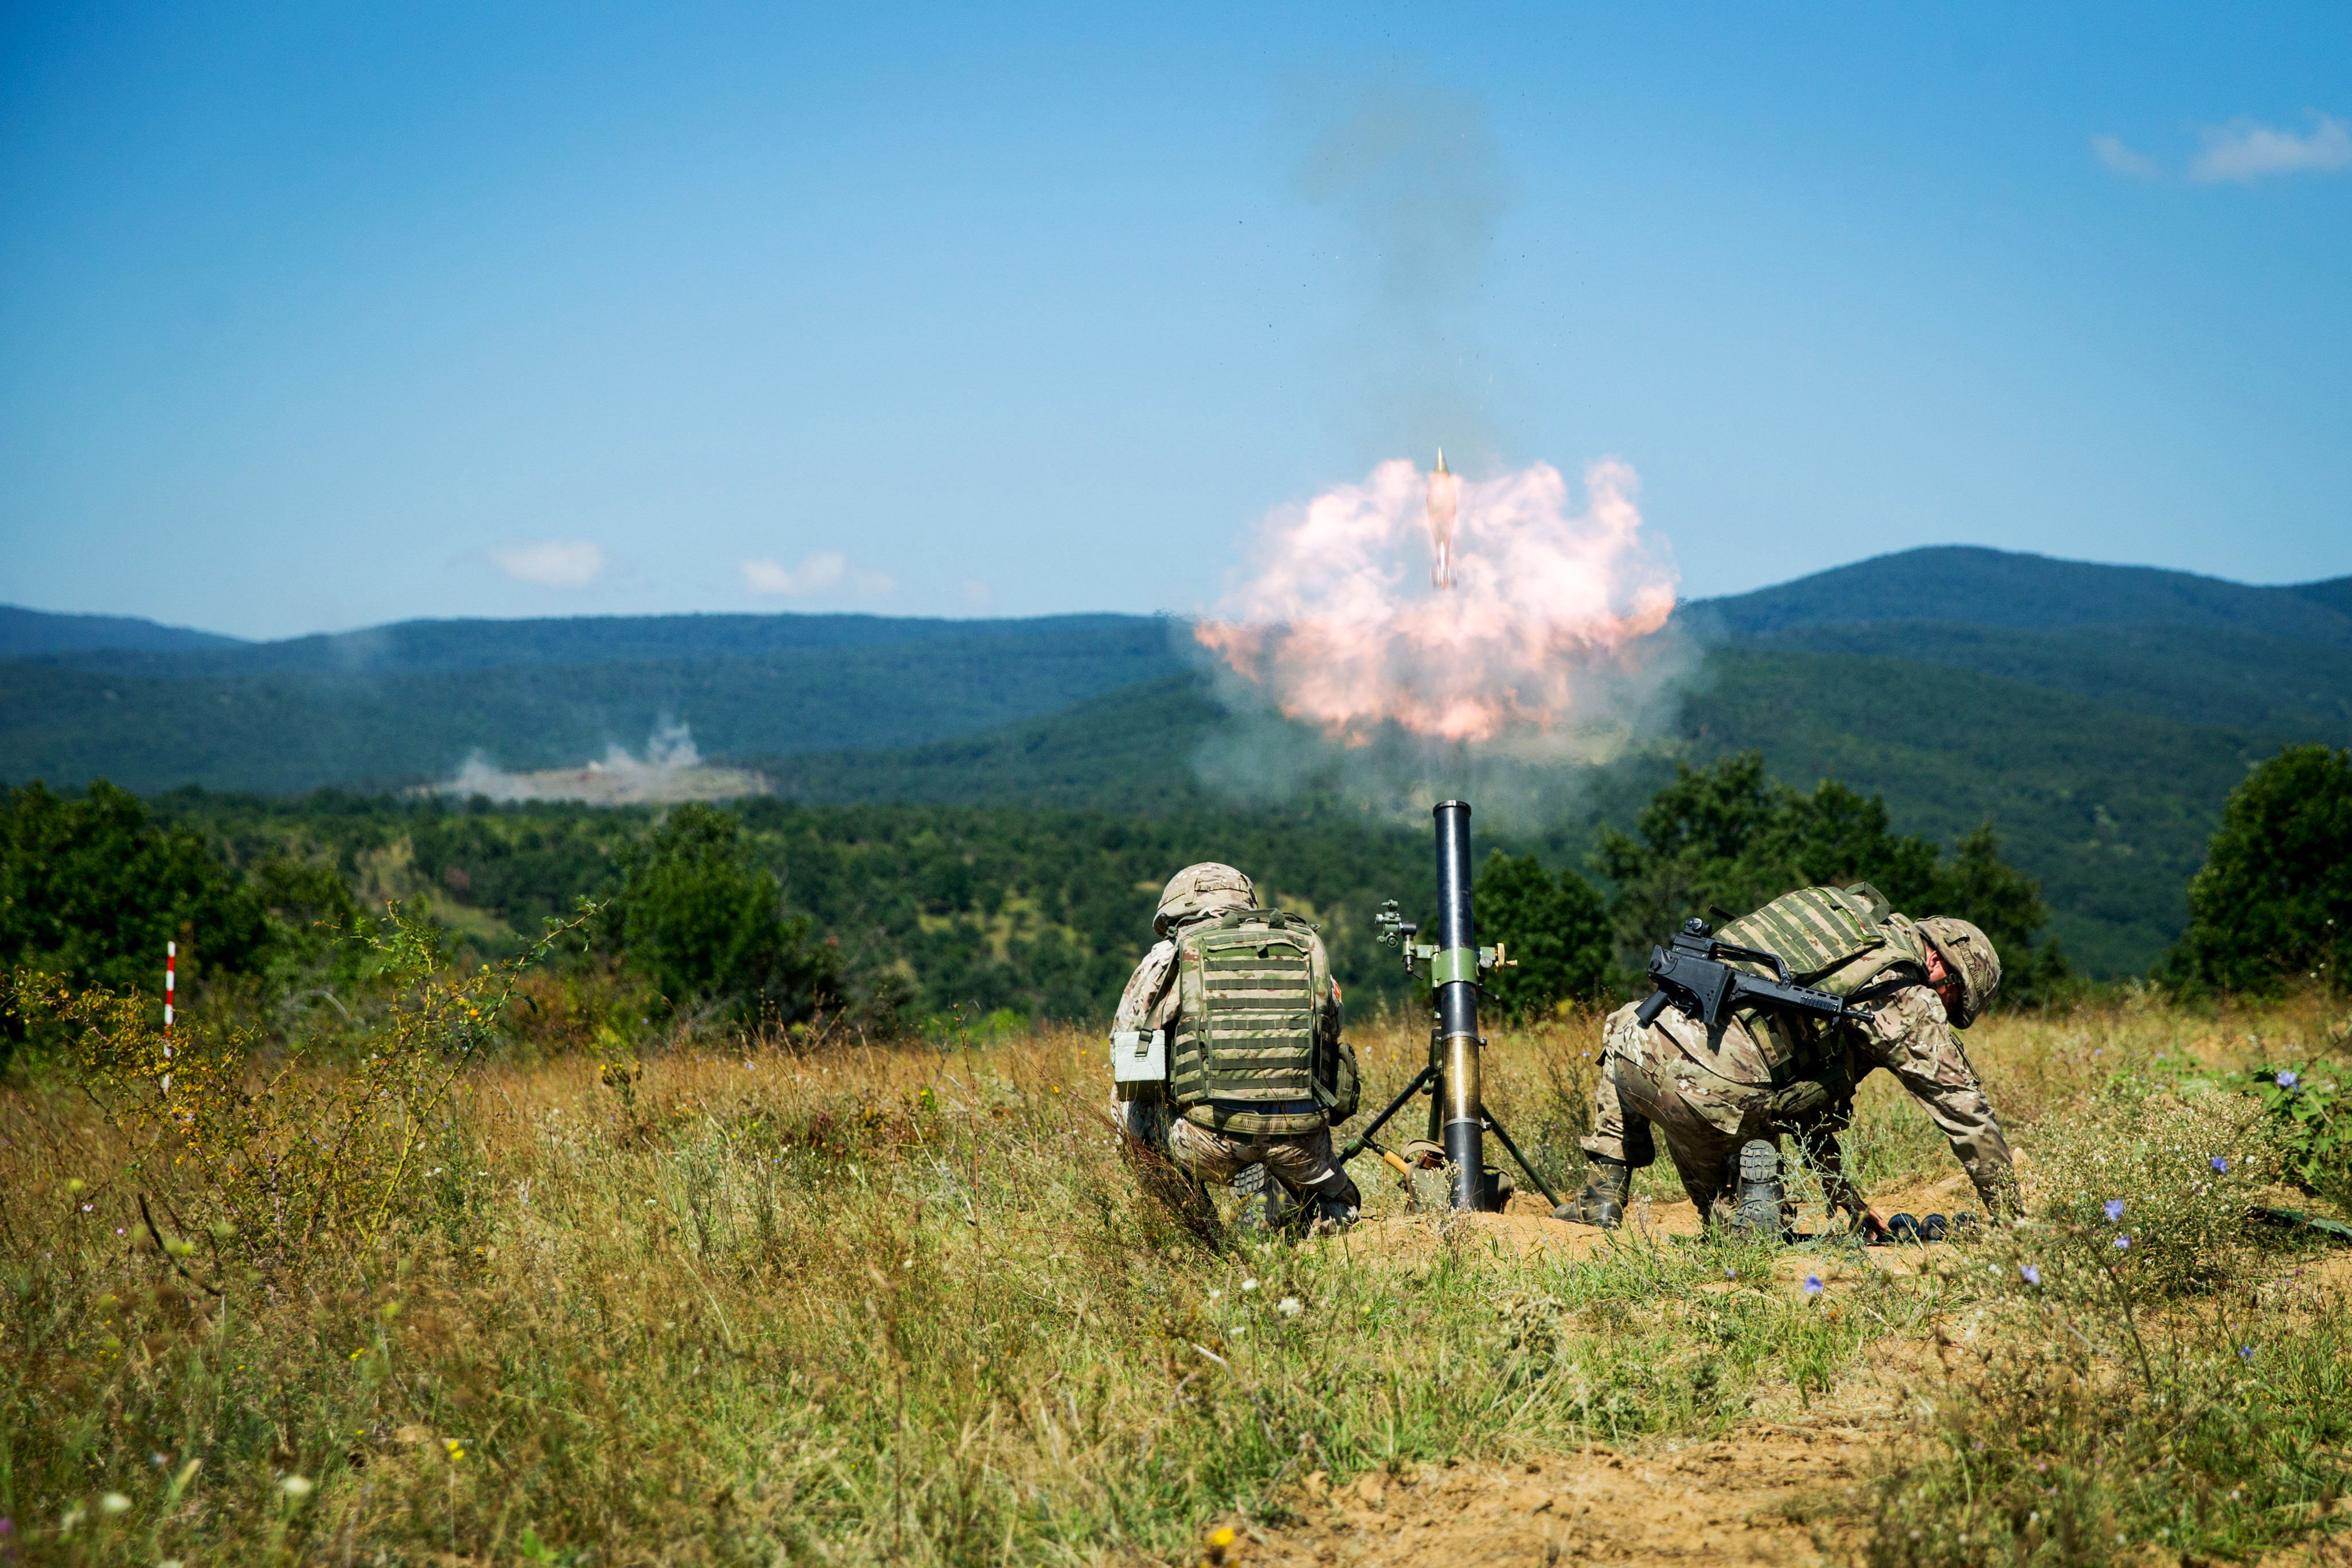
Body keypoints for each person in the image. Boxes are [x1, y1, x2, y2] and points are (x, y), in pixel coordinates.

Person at [1558, 883, 2015, 1236]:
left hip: (1635, 1045)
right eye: (1953, 1002)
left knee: (1626, 1023)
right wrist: (2012, 1221)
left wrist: (1845, 1199)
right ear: (1939, 963)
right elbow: (1966, 1113)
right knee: (1742, 1230)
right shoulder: (1901, 992)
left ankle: (1601, 1195)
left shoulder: (1839, 920)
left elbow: (1812, 1093)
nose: (1945, 1014)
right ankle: (1752, 1208)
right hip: (1711, 1095)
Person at [1109, 862, 1363, 1229]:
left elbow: (1126, 1045)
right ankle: (1310, 1208)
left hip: (1205, 1139)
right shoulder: (1301, 949)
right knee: (1337, 1209)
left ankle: (1194, 1220)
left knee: (1123, 1102)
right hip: (1301, 1141)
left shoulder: (1170, 956)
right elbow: (1332, 1027)